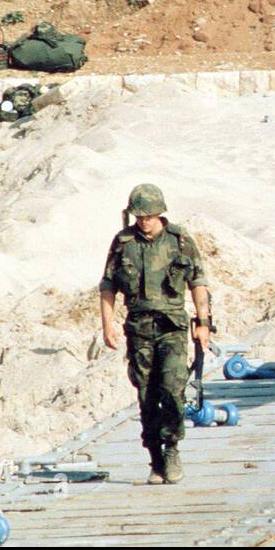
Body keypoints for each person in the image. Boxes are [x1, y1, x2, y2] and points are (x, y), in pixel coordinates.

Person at [100, 184, 211, 485]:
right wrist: (107, 324)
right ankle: (155, 457)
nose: (144, 221)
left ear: (160, 213)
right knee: (146, 395)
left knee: (173, 389)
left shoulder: (179, 240)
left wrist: (204, 322)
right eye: (139, 216)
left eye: (149, 215)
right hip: (139, 330)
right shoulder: (124, 243)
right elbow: (108, 286)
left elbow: (198, 282)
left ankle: (172, 447)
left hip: (171, 328)